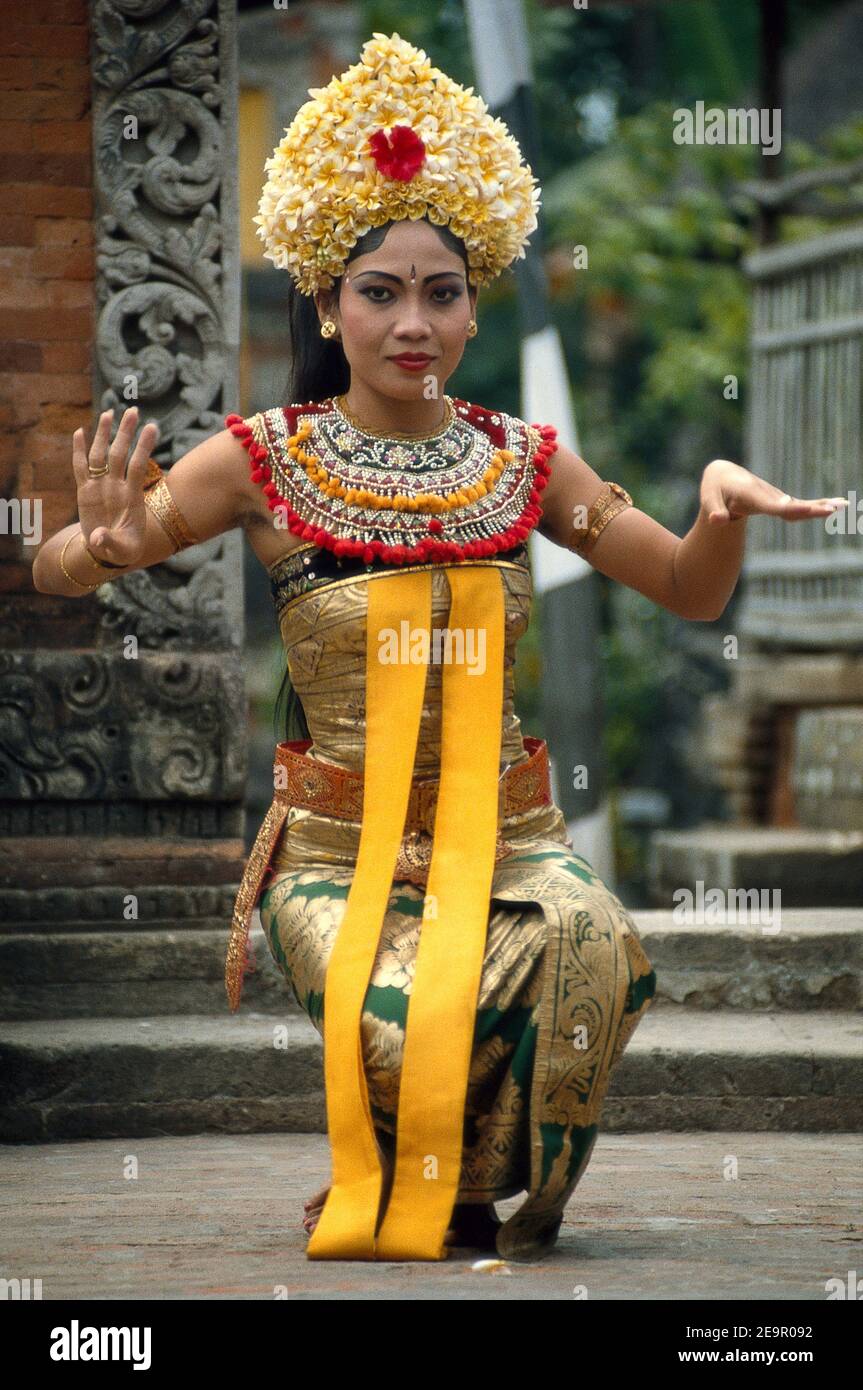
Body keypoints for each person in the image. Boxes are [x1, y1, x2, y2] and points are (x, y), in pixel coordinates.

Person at [32, 31, 849, 1265]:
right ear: (325, 301)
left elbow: (684, 587)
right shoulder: (261, 458)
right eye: (380, 291)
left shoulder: (525, 461)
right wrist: (97, 543)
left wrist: (718, 509)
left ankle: (484, 1189)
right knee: (405, 1016)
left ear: (474, 303)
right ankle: (427, 1180)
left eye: (443, 292)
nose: (413, 322)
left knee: (595, 946)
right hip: (334, 854)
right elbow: (55, 567)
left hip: (510, 837)